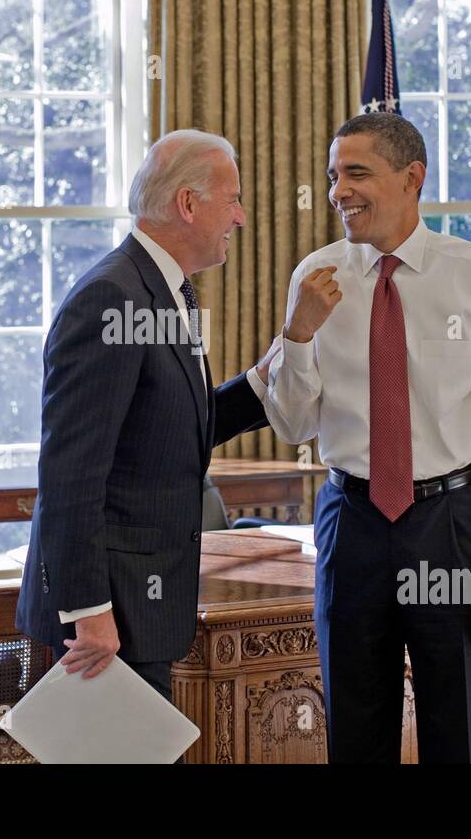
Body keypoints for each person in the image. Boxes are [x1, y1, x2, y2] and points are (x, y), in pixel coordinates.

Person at [263, 112, 471, 762]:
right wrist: (298, 335)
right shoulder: (317, 278)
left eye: (357, 173)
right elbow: (293, 424)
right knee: (355, 729)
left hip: (451, 524)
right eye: (334, 176)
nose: (339, 191)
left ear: (411, 178)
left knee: (460, 726)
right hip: (350, 522)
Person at [15, 129, 279, 701]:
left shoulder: (166, 290)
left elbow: (176, 429)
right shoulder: (111, 297)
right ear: (188, 204)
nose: (239, 216)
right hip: (107, 618)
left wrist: (272, 369)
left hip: (143, 605)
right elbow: (70, 476)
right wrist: (89, 612)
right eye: (232, 199)